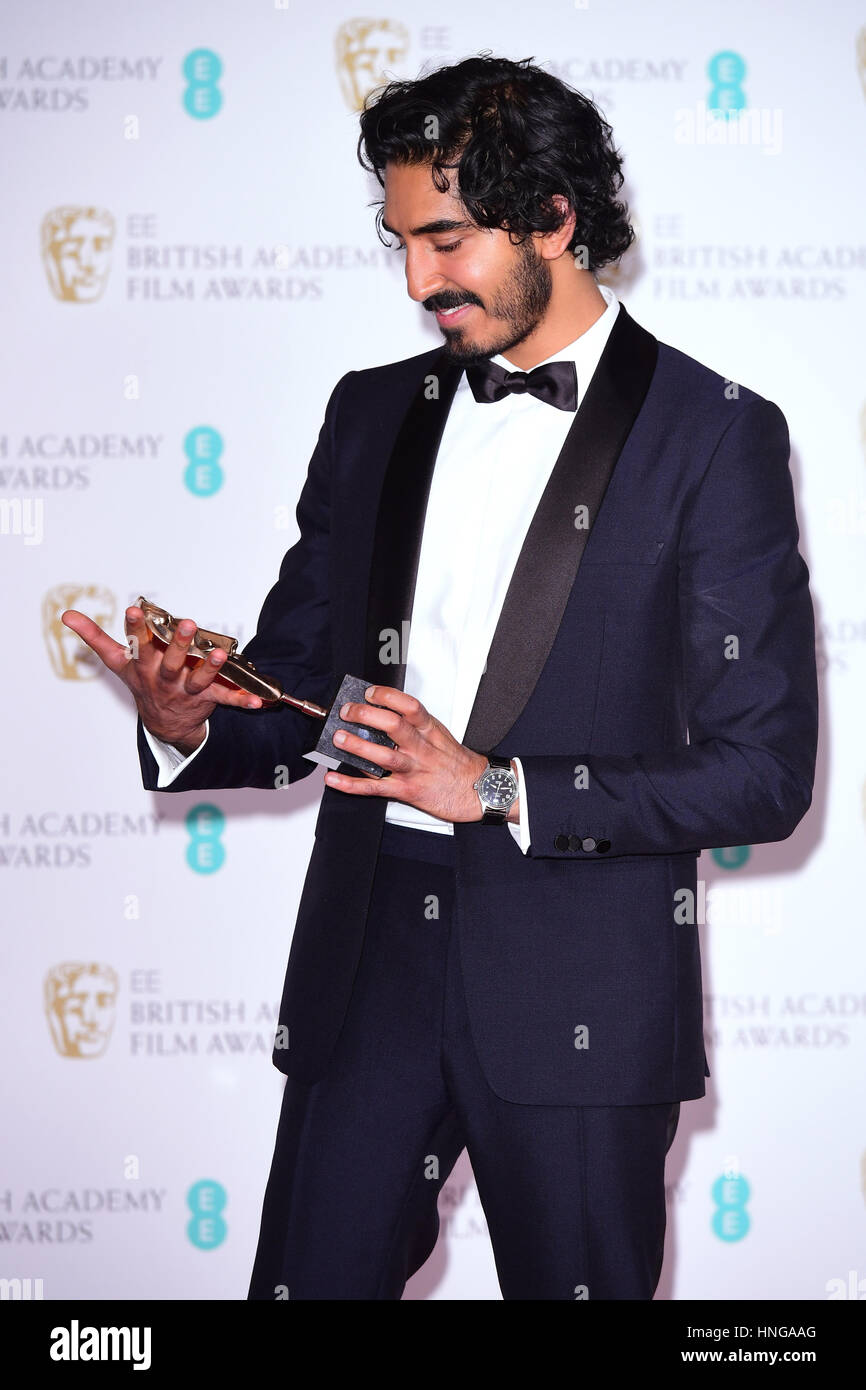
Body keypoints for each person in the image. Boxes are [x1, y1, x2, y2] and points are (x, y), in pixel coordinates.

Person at [63, 55, 818, 1300]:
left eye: (446, 240)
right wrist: (191, 718)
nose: (417, 282)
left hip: (581, 979)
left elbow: (761, 773)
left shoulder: (714, 432)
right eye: (401, 241)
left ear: (553, 220)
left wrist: (498, 786)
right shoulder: (371, 412)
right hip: (370, 958)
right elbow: (298, 692)